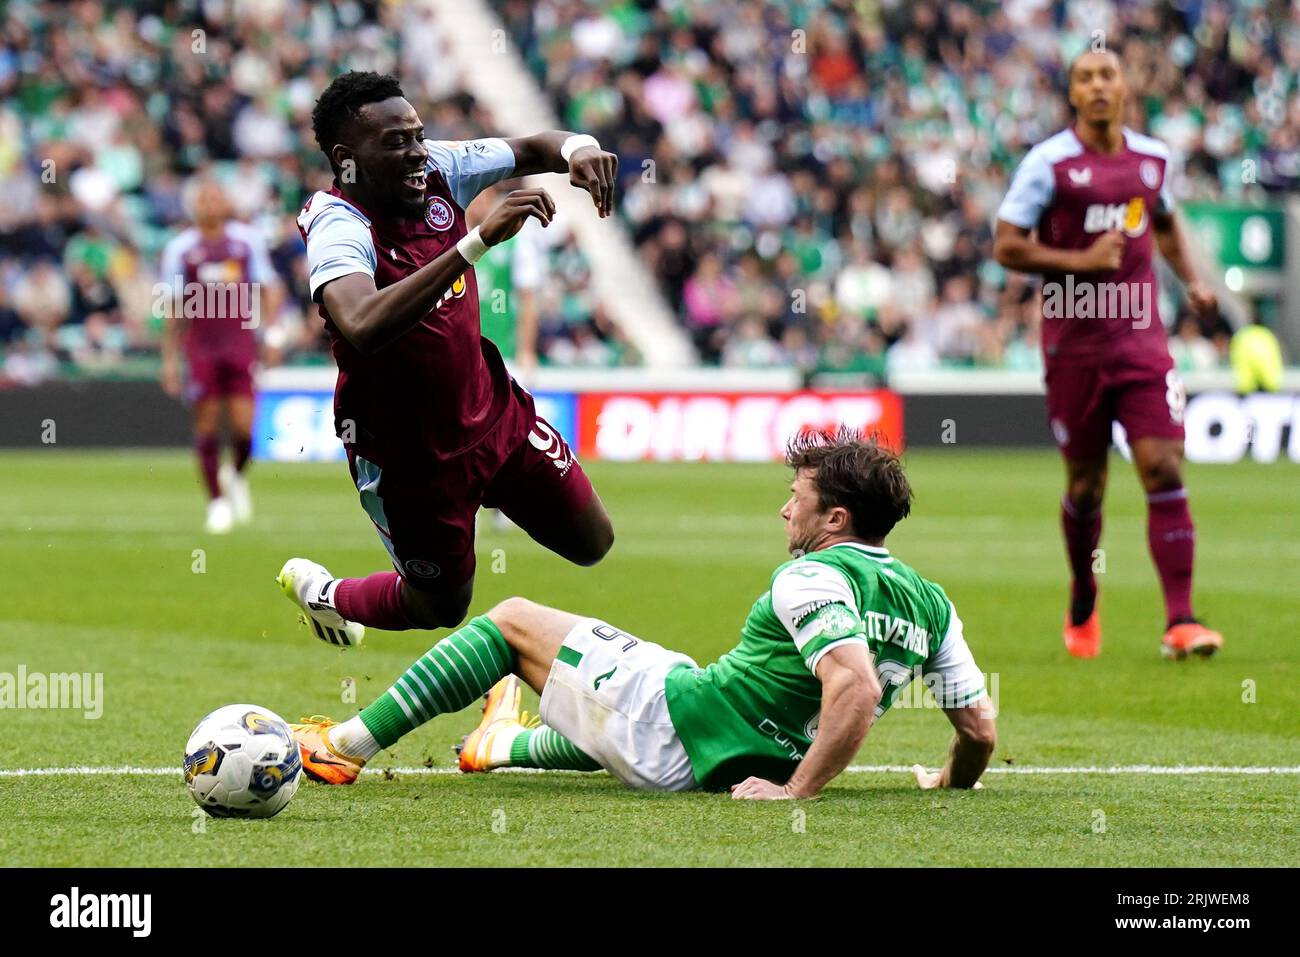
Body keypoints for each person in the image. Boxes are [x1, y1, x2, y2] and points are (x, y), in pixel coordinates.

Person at [289, 429, 997, 798]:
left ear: (835, 517)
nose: (785, 507)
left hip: (676, 726)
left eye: (797, 496)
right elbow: (979, 731)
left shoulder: (811, 576)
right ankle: (500, 744)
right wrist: (947, 781)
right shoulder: (933, 604)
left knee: (507, 620)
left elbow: (858, 686)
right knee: (665, 672)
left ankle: (343, 746)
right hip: (715, 752)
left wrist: (795, 792)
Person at [278, 71, 619, 645]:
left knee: (593, 543)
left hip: (494, 417)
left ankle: (489, 486)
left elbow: (536, 147)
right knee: (441, 607)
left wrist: (579, 150)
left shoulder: (442, 166)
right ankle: (327, 596)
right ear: (346, 158)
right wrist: (476, 241)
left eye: (416, 134)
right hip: (410, 457)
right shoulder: (337, 222)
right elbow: (361, 324)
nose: (415, 153)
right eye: (395, 142)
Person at [993, 48, 1223, 660]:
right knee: (1088, 485)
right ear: (1073, 93)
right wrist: (1079, 263)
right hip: (1073, 346)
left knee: (1163, 464)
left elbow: (1166, 222)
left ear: (1125, 87)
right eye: (1085, 78)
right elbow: (1007, 246)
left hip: (1141, 337)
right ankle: (1084, 592)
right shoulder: (1048, 164)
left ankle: (1181, 620)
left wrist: (1192, 280)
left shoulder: (1154, 160)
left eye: (1107, 76)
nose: (1097, 86)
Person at [160, 176, 282, 533]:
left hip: (240, 343)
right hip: (201, 347)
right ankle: (215, 502)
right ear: (194, 206)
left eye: (216, 197)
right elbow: (173, 305)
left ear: (226, 204)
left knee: (245, 430)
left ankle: (236, 473)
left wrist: (271, 335)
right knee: (207, 424)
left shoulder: (246, 242)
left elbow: (269, 289)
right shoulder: (180, 249)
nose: (210, 204)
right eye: (204, 199)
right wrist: (169, 359)